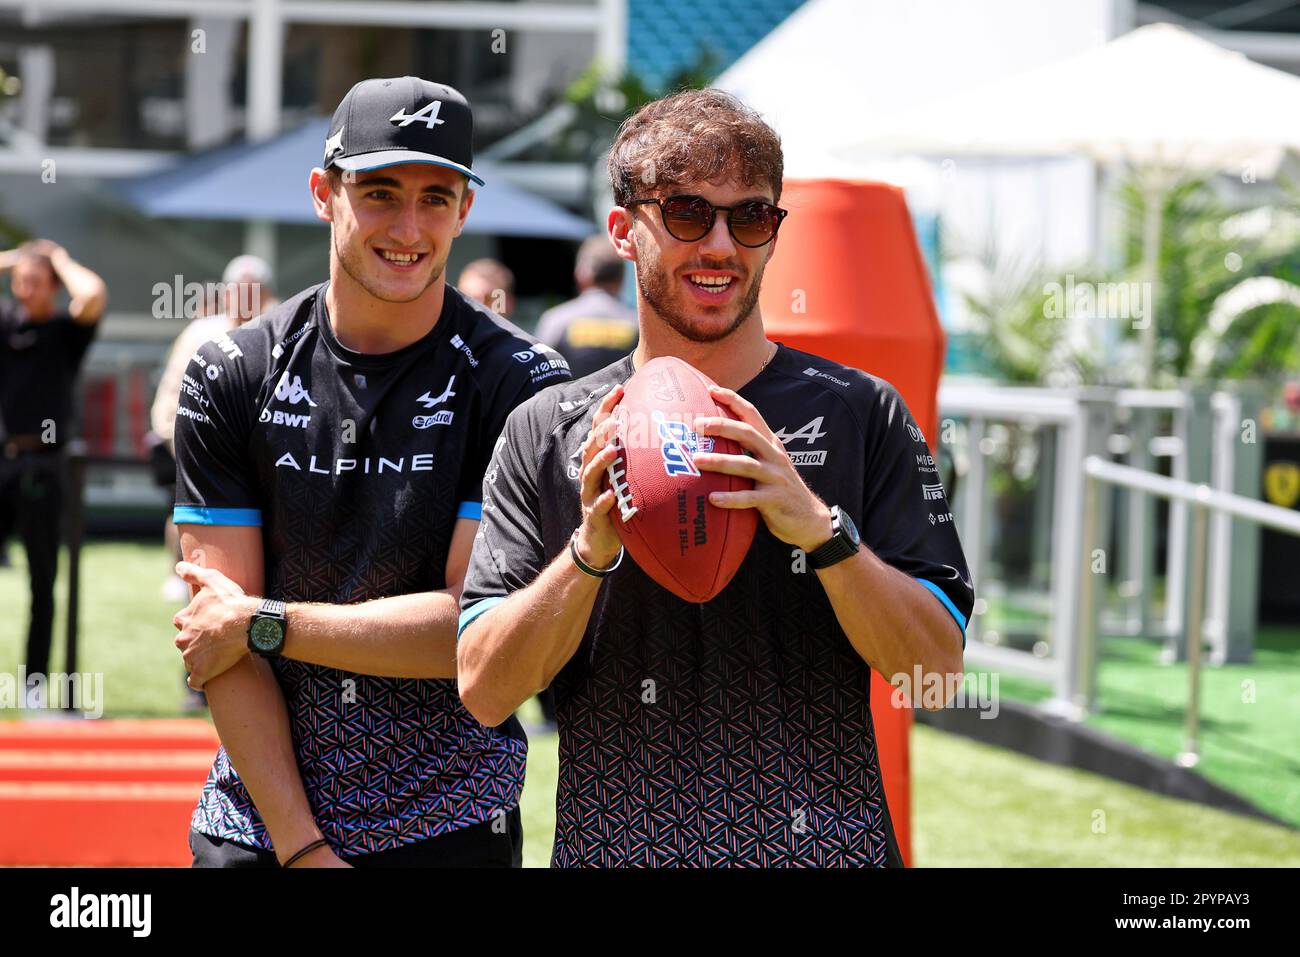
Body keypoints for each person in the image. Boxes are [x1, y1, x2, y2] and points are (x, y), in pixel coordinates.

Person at [457, 89, 972, 867]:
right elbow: (486, 688)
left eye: (753, 217)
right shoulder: (548, 426)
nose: (723, 246)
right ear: (625, 231)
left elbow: (934, 673)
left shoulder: (862, 412)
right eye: (690, 213)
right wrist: (588, 553)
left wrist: (821, 534)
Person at [169, 76, 568, 868]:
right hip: (259, 823)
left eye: (436, 196)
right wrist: (304, 847)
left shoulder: (519, 382)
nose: (409, 226)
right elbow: (217, 645)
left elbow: (468, 633)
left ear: (465, 210)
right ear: (324, 193)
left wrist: (265, 619)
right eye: (380, 193)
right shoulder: (231, 372)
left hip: (449, 823)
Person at [0, 240, 107, 684]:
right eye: (20, 281)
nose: (26, 289)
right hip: (2, 461)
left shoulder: (67, 331)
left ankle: (34, 683)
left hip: (45, 466)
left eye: (36, 282)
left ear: (54, 287)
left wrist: (60, 260)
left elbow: (94, 295)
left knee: (42, 581)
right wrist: (16, 257)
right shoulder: (5, 324)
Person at [536, 234, 638, 379]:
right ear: (621, 279)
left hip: (568, 400)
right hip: (622, 400)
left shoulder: (556, 320)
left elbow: (540, 371)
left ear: (581, 275)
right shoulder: (636, 322)